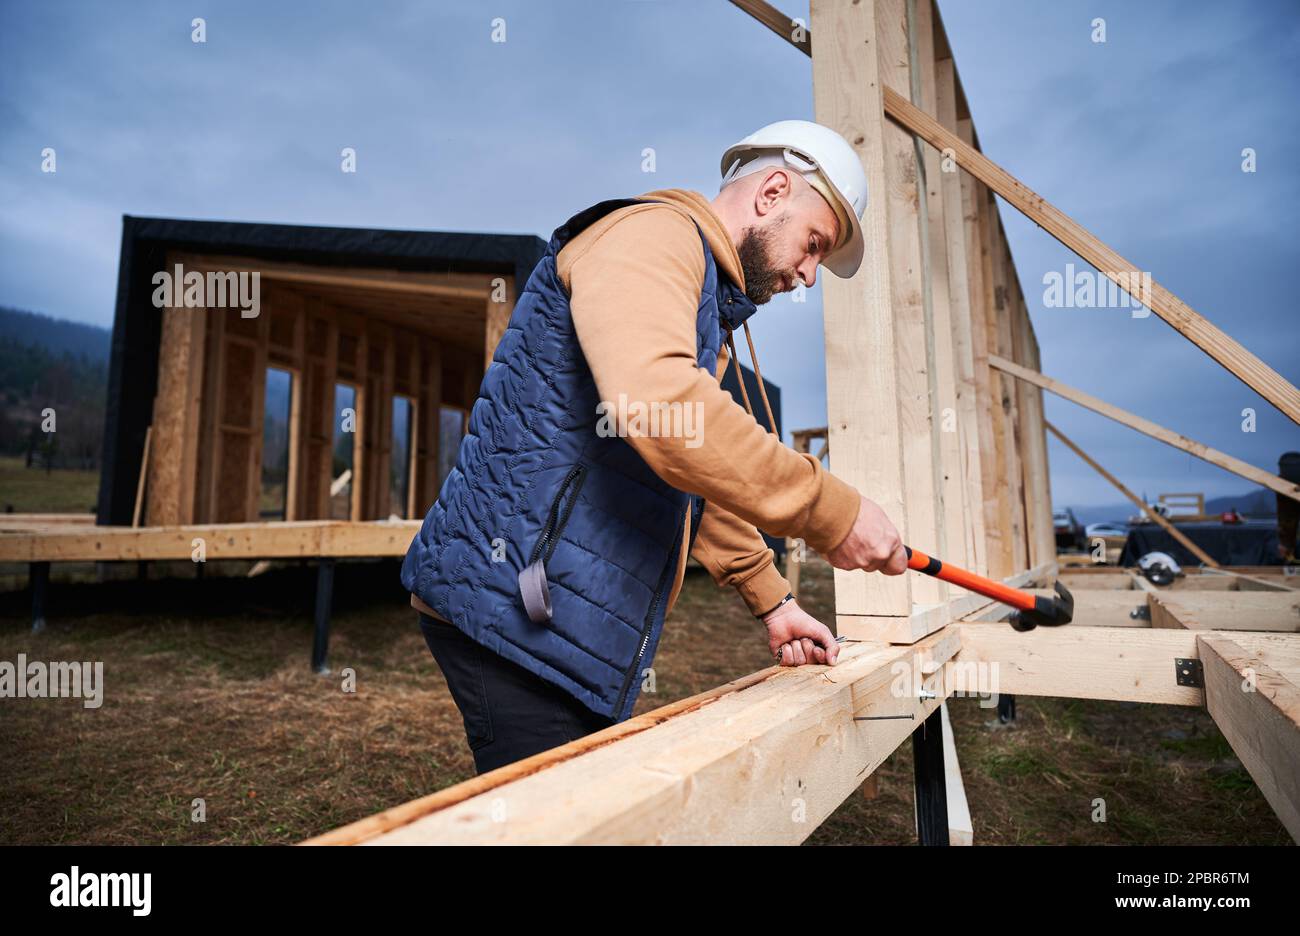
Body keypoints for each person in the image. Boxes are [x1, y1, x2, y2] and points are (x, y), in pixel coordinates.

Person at [401, 120, 908, 774]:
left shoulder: (702, 303)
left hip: (557, 623)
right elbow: (662, 409)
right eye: (813, 244)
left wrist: (774, 601)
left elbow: (687, 474)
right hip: (516, 613)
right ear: (773, 191)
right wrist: (833, 510)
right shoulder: (652, 237)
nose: (808, 274)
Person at [1278, 452, 1300, 562]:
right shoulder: (1281, 486)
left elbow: (1286, 517)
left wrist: (1285, 544)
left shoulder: (1281, 484)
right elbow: (1286, 517)